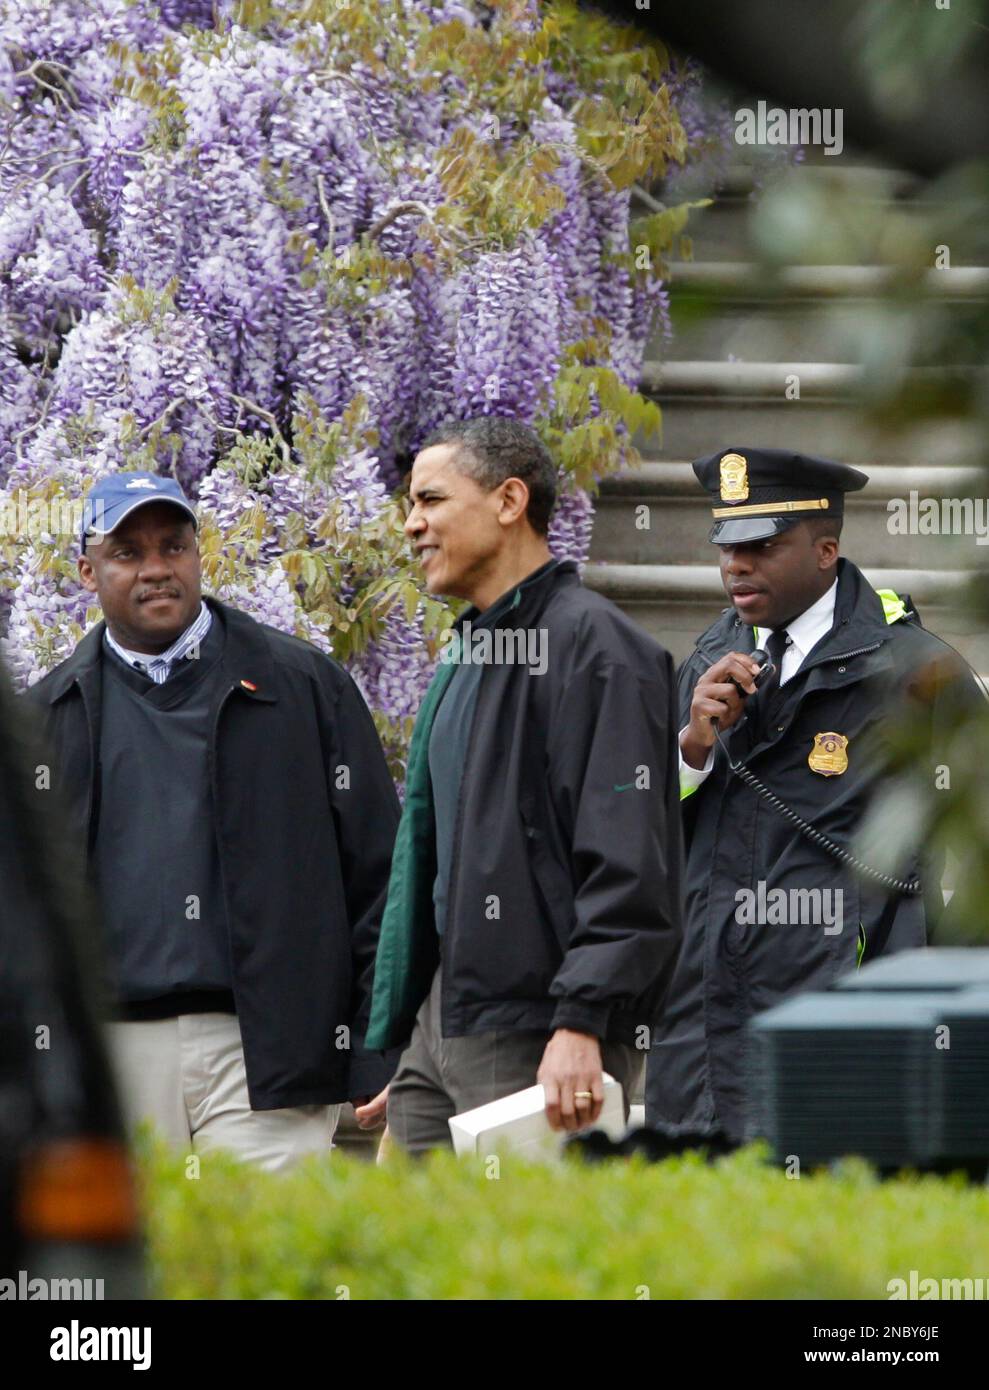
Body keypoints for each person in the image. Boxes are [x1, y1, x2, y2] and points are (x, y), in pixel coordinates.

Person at [26, 471, 399, 1172]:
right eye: (128, 552)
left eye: (174, 546)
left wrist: (379, 1048)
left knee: (265, 1273)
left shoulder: (304, 687)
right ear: (87, 571)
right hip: (112, 1049)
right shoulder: (48, 715)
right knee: (138, 1274)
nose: (157, 569)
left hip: (268, 1046)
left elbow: (378, 877)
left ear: (200, 554)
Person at [354, 417, 682, 1153]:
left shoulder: (599, 651)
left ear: (508, 502)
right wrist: (416, 1030)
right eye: (410, 505)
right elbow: (437, 857)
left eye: (430, 500)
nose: (411, 525)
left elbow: (631, 863)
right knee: (407, 1258)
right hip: (448, 1026)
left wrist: (581, 1022)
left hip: (542, 1029)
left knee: (520, 1260)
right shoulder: (469, 652)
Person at [645, 446, 984, 1145]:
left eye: (761, 547)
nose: (735, 565)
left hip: (842, 1009)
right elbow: (650, 842)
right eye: (726, 547)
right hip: (707, 1021)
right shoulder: (707, 658)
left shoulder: (916, 671)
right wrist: (691, 751)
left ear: (825, 549)